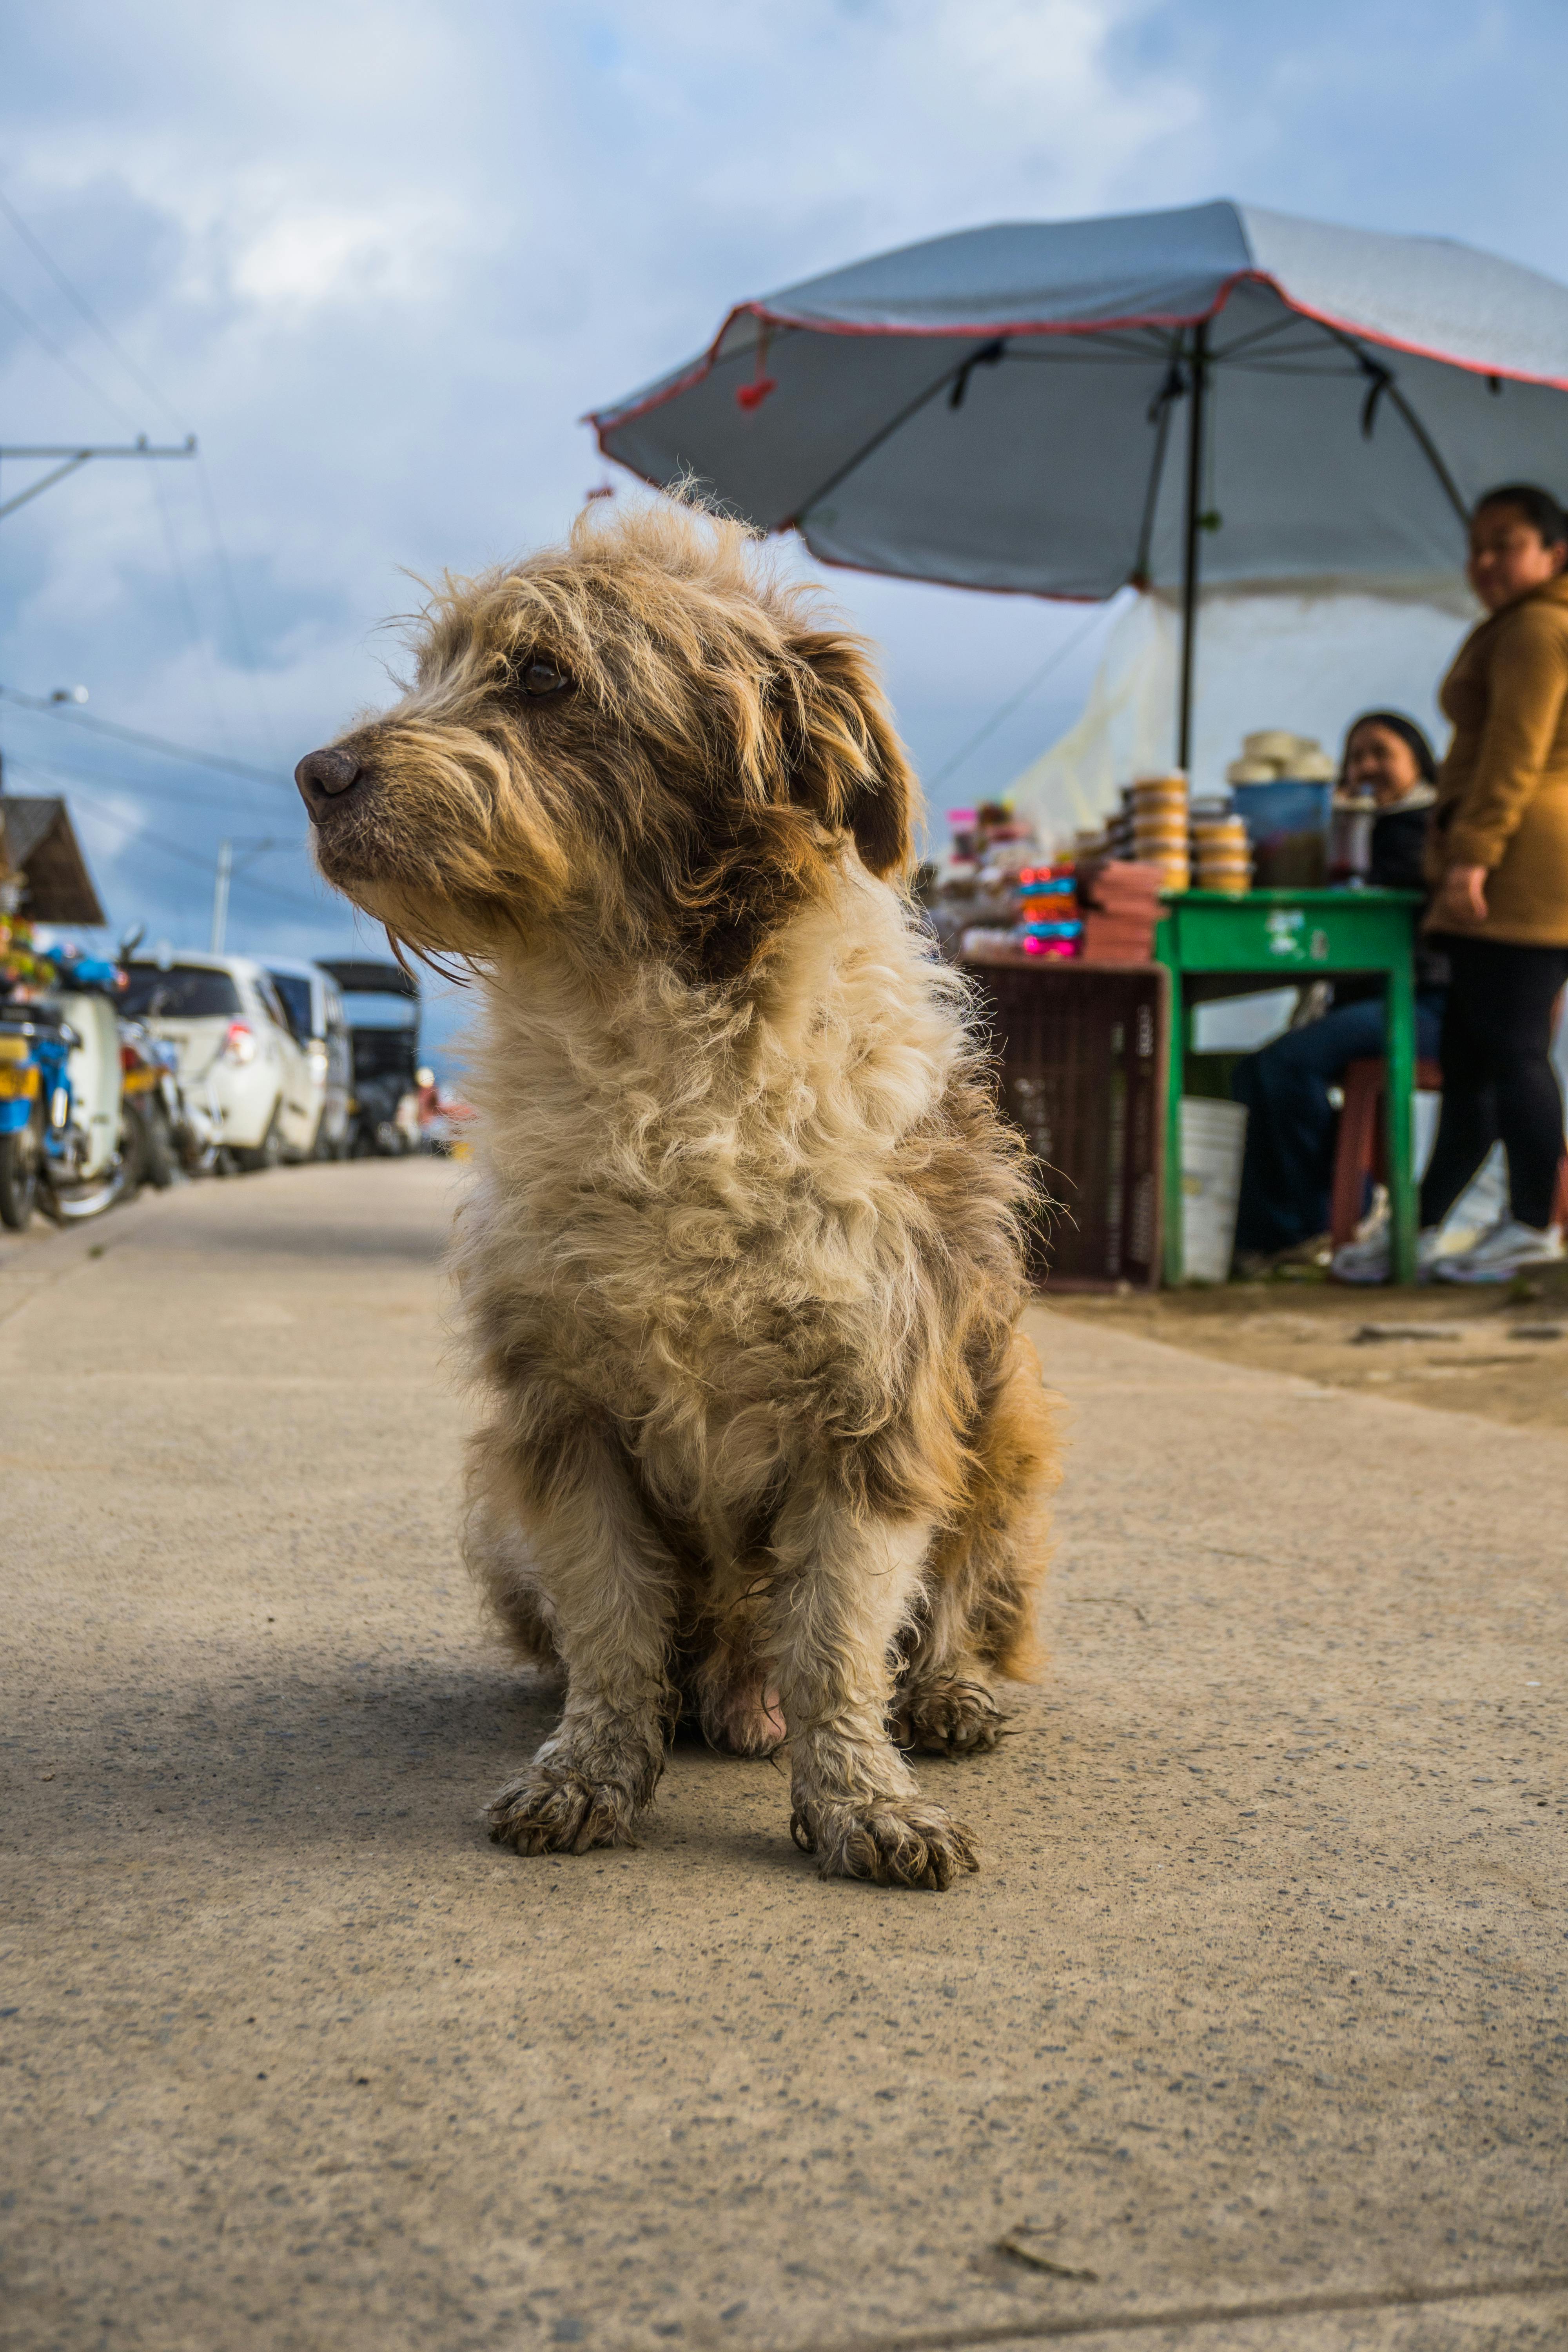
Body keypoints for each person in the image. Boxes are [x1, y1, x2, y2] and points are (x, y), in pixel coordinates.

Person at [1334, 484, 1568, 1283]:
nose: (1484, 562)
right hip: (1516, 859)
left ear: (1552, 554)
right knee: (1473, 1061)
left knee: (1511, 1052)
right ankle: (1425, 1227)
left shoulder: (1536, 628)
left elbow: (1513, 757)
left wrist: (1471, 859)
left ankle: (1534, 1223)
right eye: (1477, 545)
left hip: (1520, 867)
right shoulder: (1517, 626)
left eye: (1505, 543)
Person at [1231, 712, 1446, 1268]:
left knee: (1287, 1065)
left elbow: (1393, 900)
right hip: (1373, 1002)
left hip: (1426, 1005)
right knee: (1253, 1072)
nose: (1367, 768)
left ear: (1418, 760)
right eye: (1356, 757)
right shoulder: (1349, 827)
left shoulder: (1428, 825)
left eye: (1381, 753)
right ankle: (1273, 1231)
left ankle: (1325, 1216)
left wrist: (1354, 824)